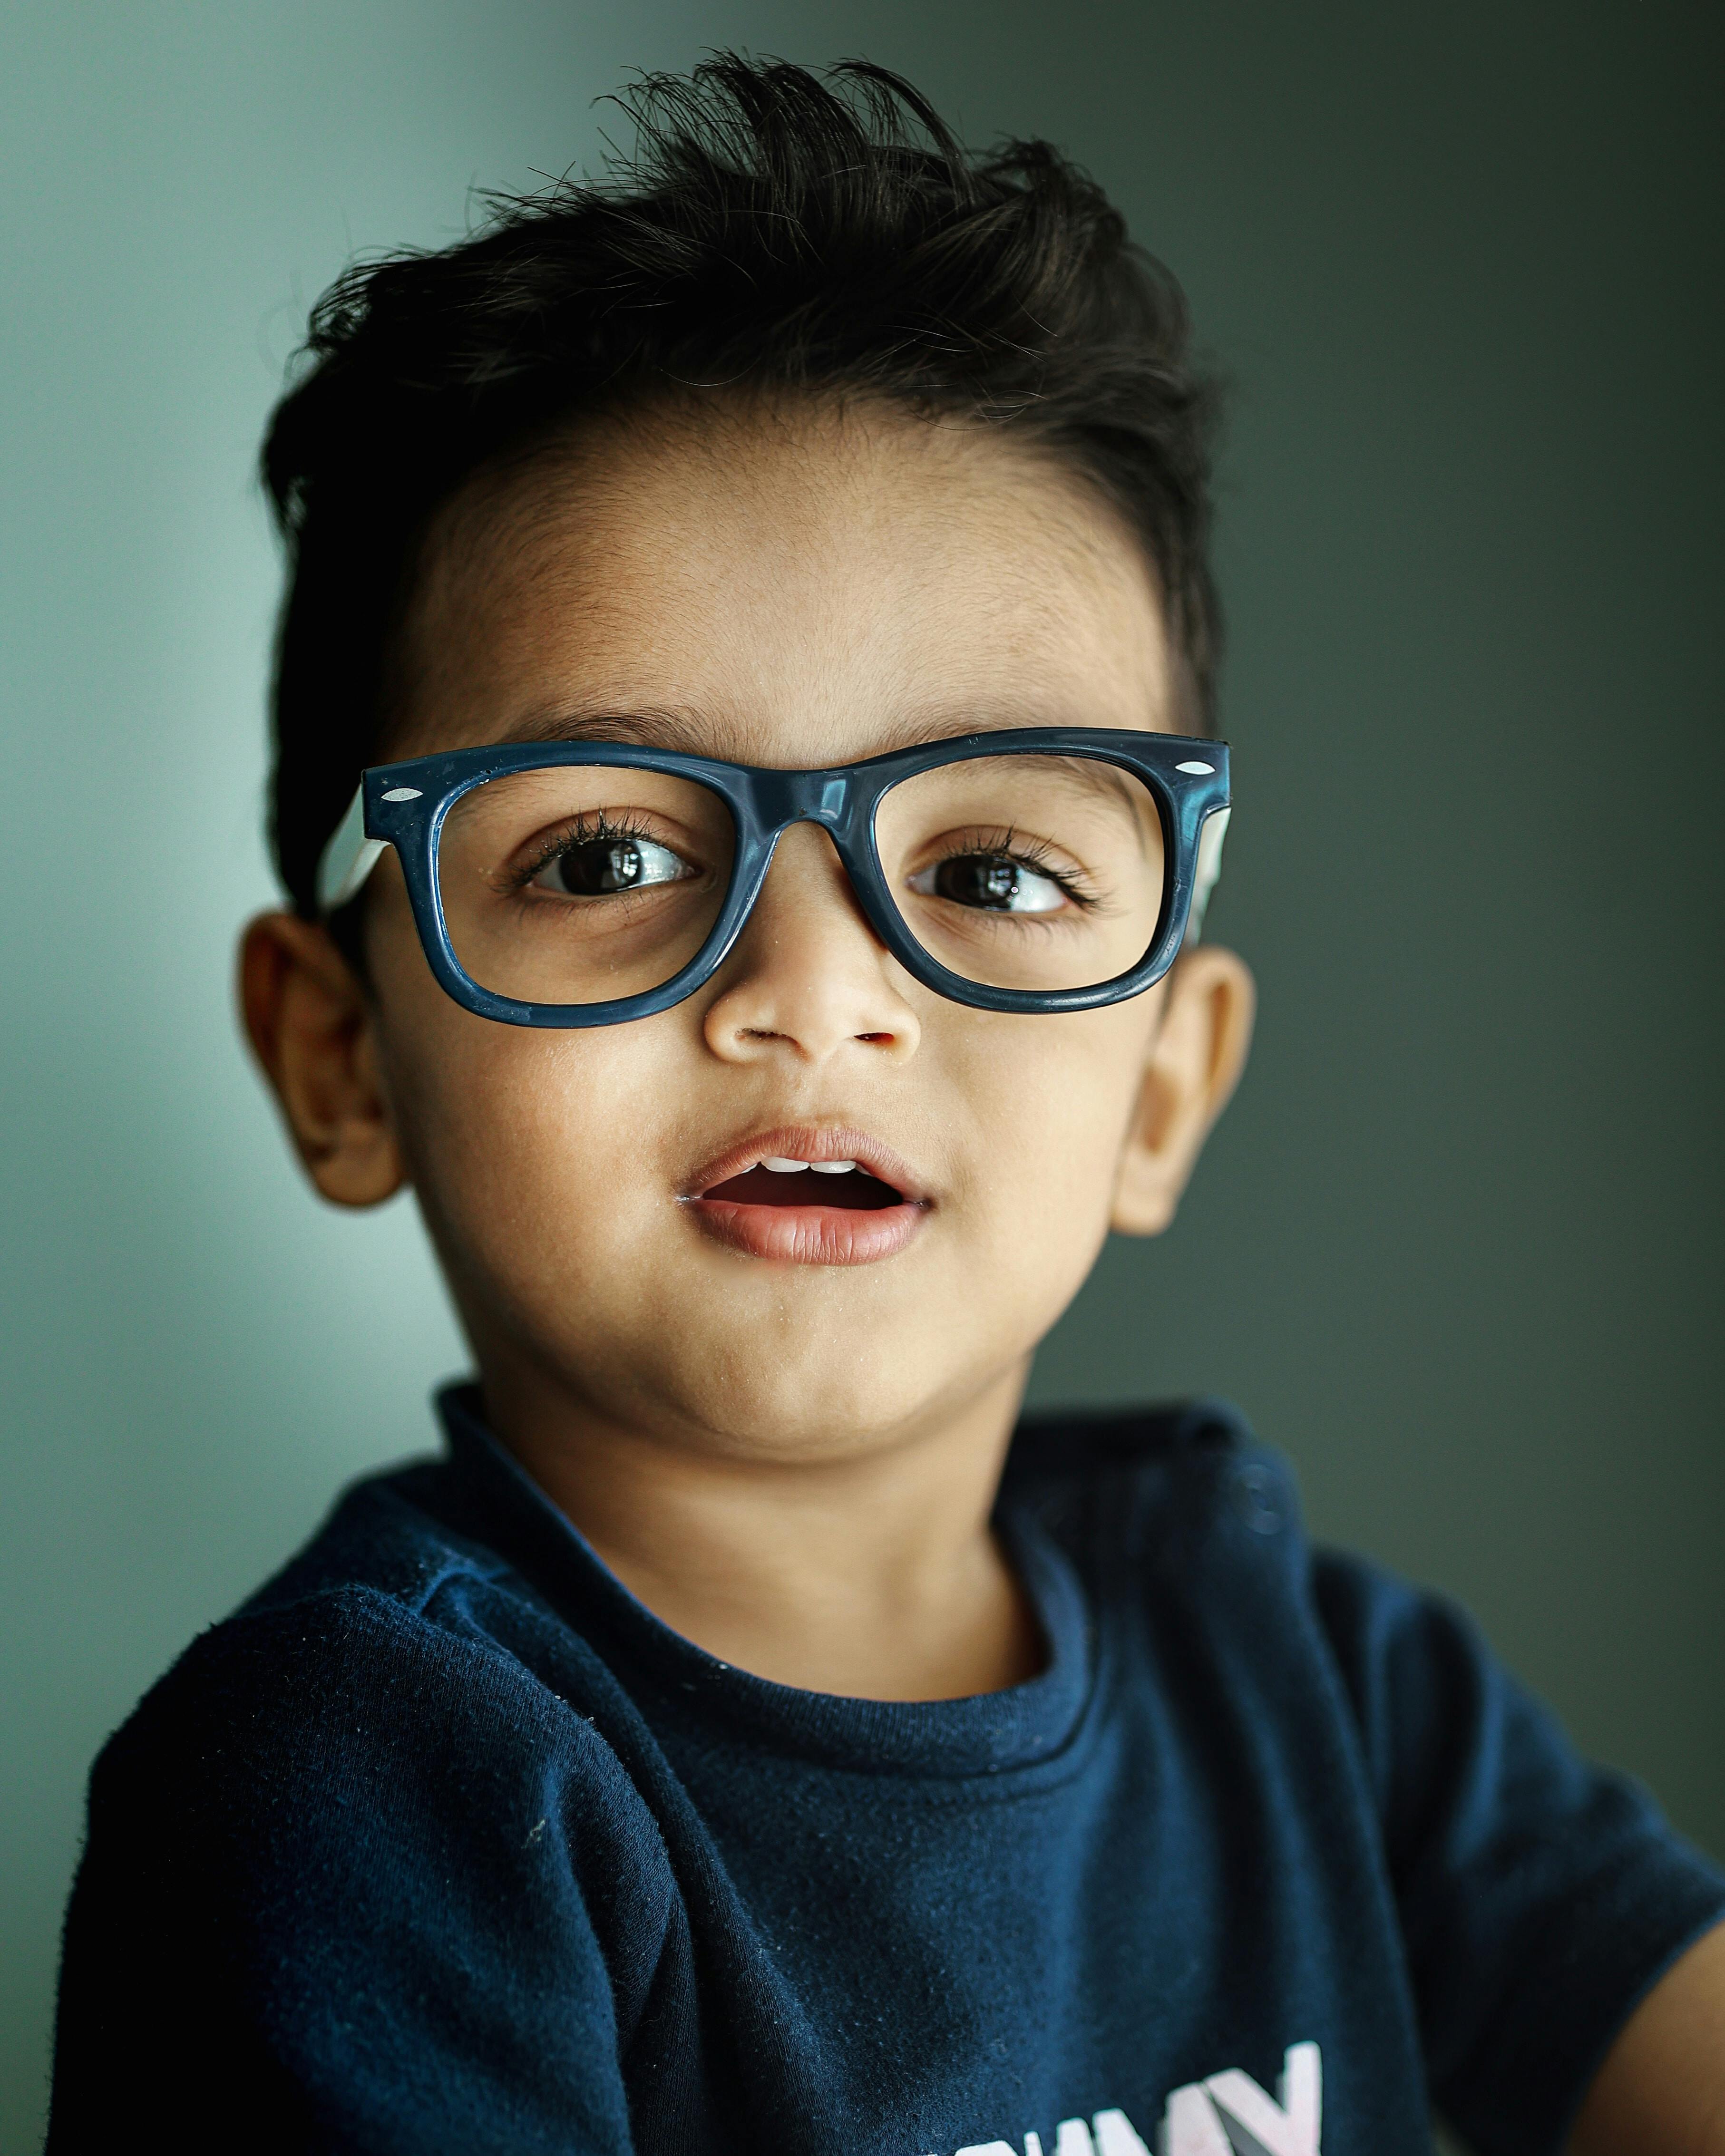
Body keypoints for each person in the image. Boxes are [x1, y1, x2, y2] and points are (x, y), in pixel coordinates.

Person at [48, 56, 1724, 2156]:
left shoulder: (1307, 1669)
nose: (816, 995)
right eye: (604, 854)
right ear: (340, 1057)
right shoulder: (367, 1789)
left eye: (993, 875)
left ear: (1163, 1091)